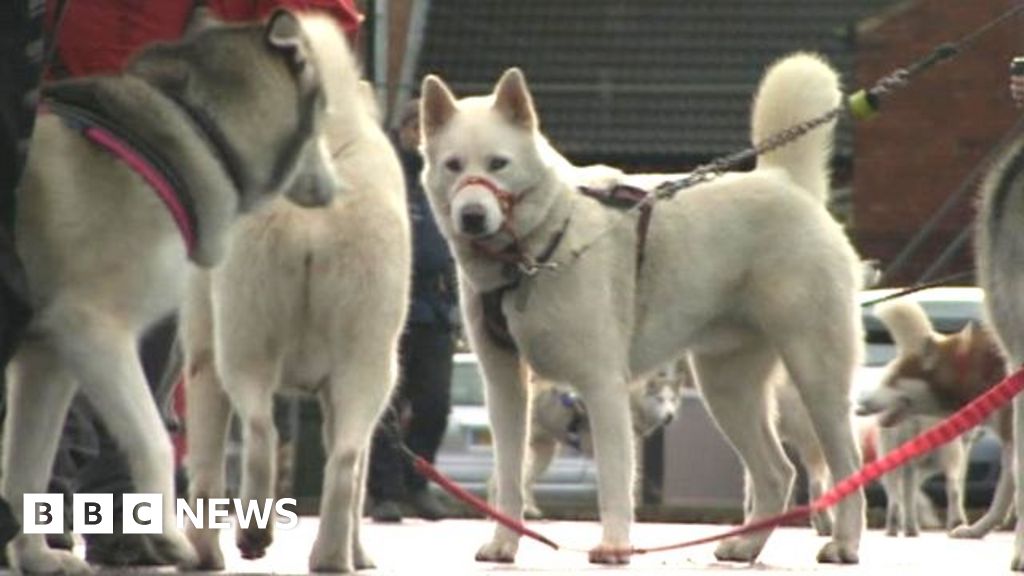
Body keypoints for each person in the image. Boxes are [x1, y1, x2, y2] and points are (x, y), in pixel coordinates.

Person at [0, 0, 362, 565]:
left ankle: (75, 525)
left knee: (75, 365)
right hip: (120, 128)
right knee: (97, 362)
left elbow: (314, 26)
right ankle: (93, 519)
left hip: (151, 125)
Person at [367, 99, 459, 523]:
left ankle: (418, 481)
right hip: (388, 305)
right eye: (413, 127)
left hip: (435, 310)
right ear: (401, 130)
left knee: (435, 403)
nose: (420, 136)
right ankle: (385, 492)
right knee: (385, 404)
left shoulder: (448, 179)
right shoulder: (384, 175)